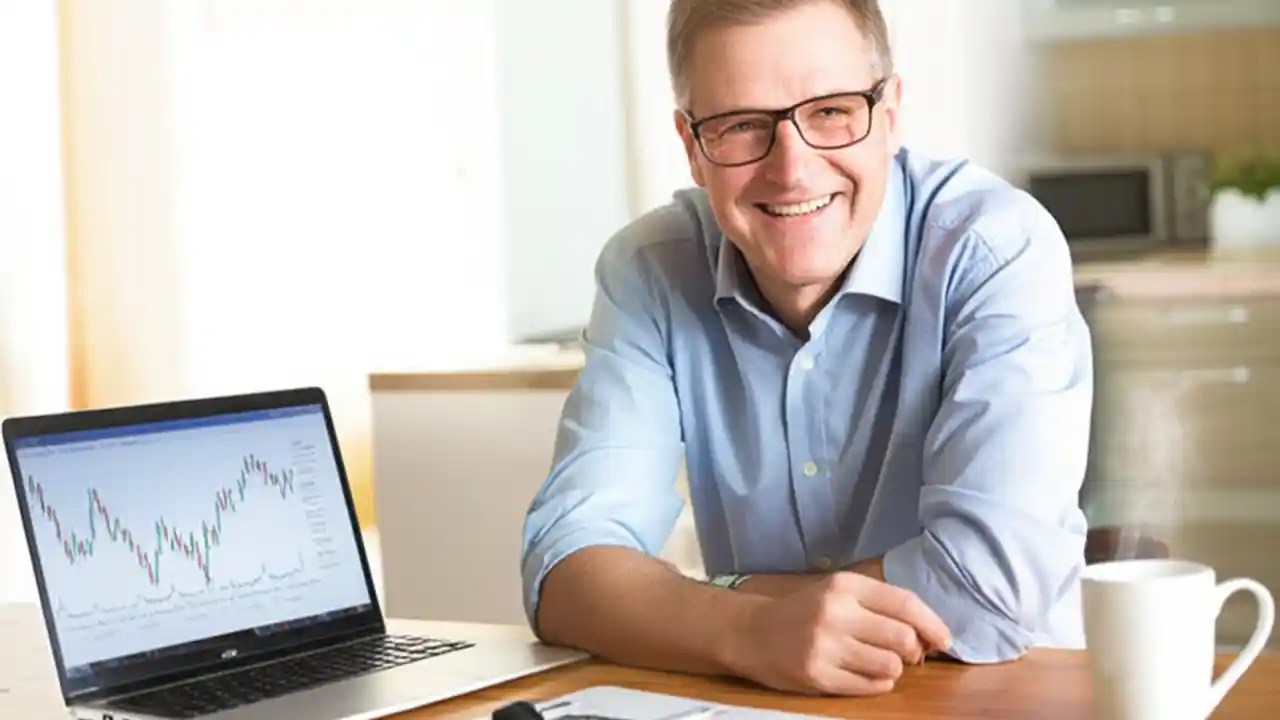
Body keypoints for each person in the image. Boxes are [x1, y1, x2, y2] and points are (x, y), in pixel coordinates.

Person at [520, 0, 1092, 697]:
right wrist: (750, 631)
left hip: (1000, 699)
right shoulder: (650, 271)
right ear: (692, 147)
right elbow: (565, 574)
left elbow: (987, 588)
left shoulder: (994, 247)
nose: (792, 169)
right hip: (764, 704)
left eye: (831, 112)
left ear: (889, 114)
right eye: (741, 125)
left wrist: (719, 598)